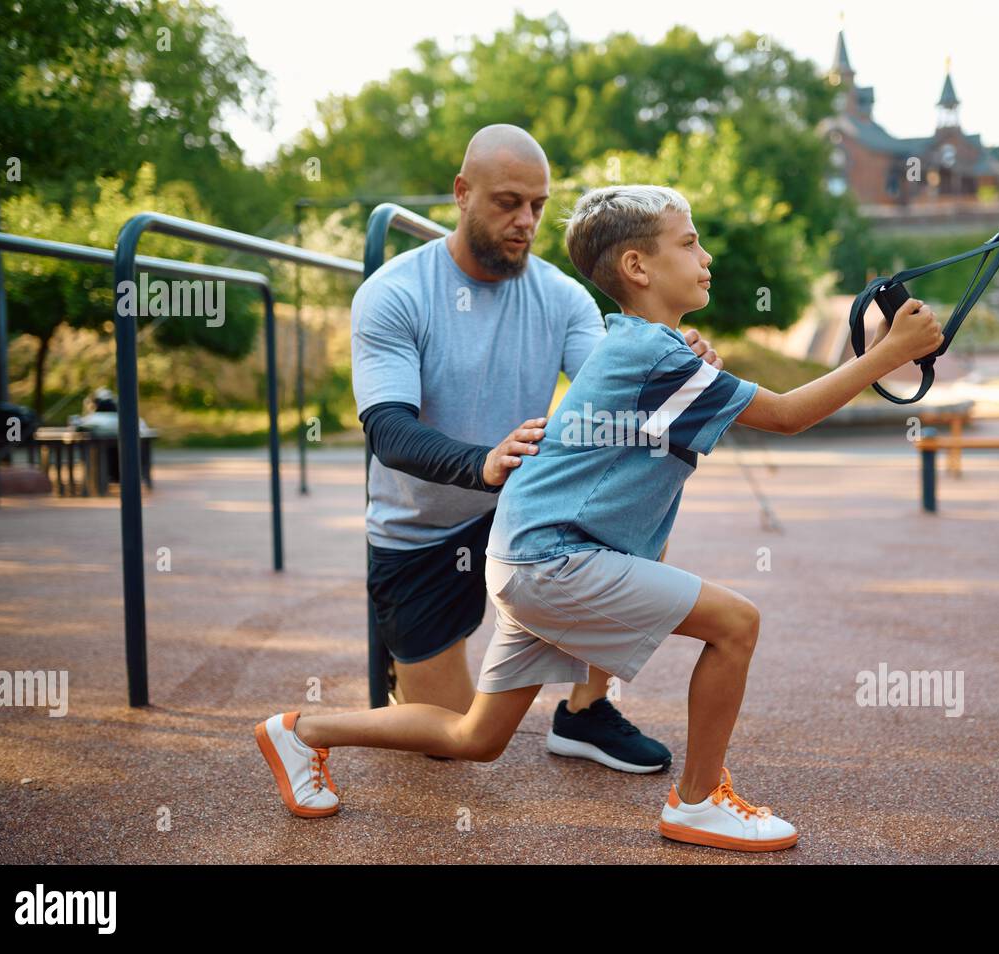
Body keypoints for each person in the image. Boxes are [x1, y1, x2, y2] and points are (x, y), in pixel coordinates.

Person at [256, 184, 942, 851]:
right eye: (690, 242)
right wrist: (886, 353)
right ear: (638, 266)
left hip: (525, 558)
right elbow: (789, 416)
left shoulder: (641, 346)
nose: (706, 257)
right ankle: (699, 803)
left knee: (478, 738)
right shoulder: (652, 354)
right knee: (737, 625)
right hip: (553, 560)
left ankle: (301, 728)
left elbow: (685, 418)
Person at [353, 124, 720, 774]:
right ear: (462, 193)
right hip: (421, 532)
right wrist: (480, 462)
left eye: (538, 205)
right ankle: (394, 668)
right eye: (507, 202)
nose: (526, 220)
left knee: (644, 484)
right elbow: (387, 429)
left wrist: (674, 367)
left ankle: (584, 712)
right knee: (454, 743)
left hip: (523, 510)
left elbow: (621, 400)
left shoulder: (561, 295)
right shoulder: (395, 292)